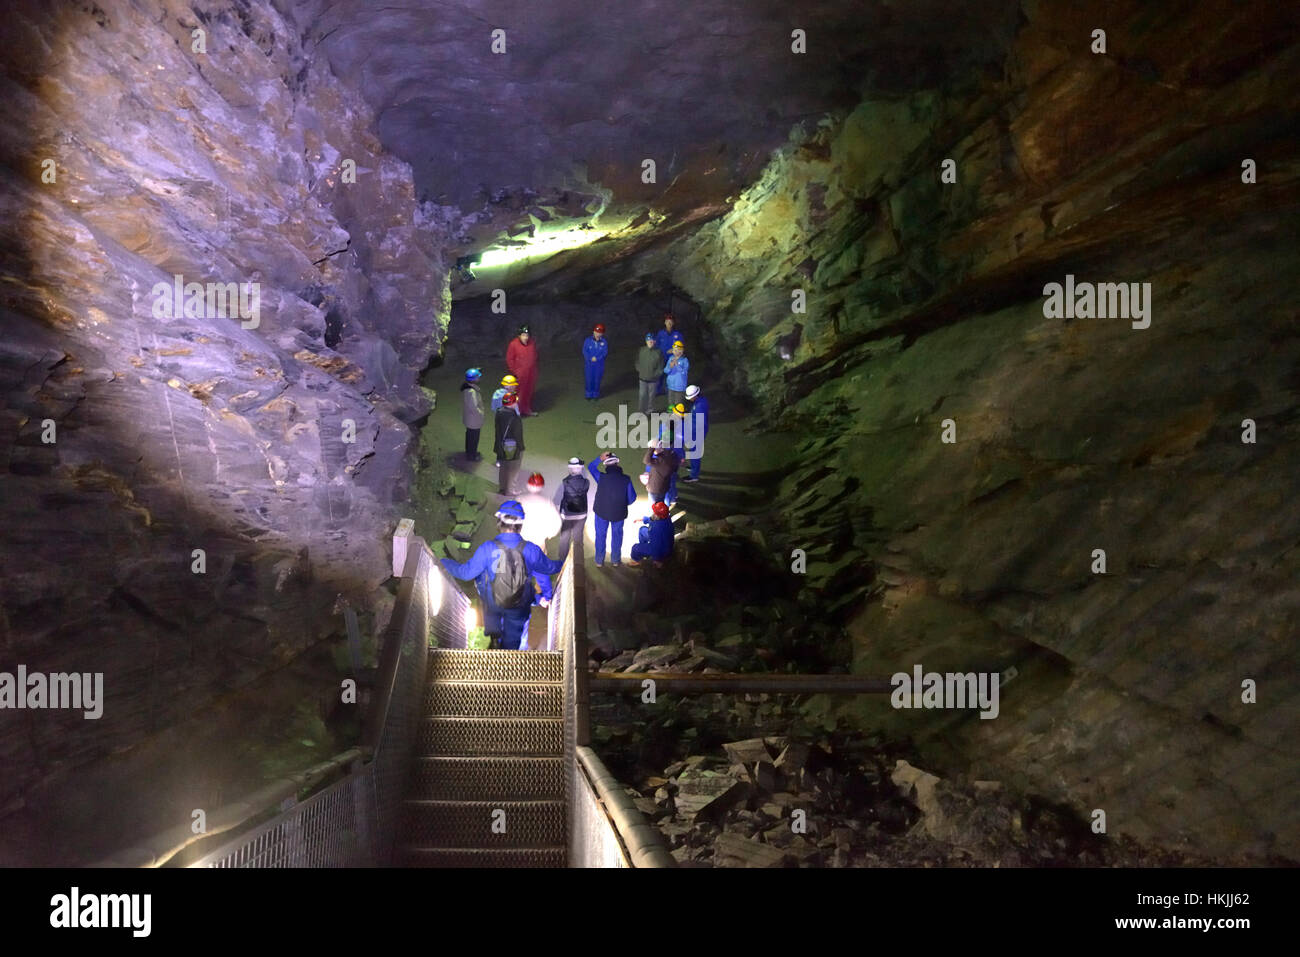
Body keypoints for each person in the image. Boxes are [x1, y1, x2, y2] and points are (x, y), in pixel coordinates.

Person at [440, 500, 564, 650]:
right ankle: (515, 661)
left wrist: (443, 562)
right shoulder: (531, 550)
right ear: (520, 525)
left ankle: (495, 646)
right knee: (518, 643)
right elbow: (548, 568)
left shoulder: (487, 548)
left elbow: (465, 573)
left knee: (497, 635)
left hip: (494, 605)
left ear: (499, 522)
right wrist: (565, 563)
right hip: (519, 608)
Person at [588, 452, 636, 568]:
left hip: (601, 512)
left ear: (606, 465)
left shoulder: (602, 477)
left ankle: (599, 561)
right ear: (617, 463)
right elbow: (631, 498)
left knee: (600, 535)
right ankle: (615, 560)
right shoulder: (626, 479)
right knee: (617, 535)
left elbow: (591, 467)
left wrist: (599, 458)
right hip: (619, 513)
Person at [517, 472, 562, 553]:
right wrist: (550, 534)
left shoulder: (519, 499)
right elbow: (557, 522)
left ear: (528, 485)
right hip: (538, 540)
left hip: (521, 538)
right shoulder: (548, 502)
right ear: (542, 486)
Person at [554, 456, 591, 549]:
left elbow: (556, 501)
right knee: (578, 540)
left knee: (564, 539)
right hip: (581, 515)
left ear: (570, 469)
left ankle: (562, 560)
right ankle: (579, 563)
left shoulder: (564, 482)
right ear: (581, 469)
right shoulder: (586, 482)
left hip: (567, 515)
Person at [494, 391, 525, 495]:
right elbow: (518, 435)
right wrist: (521, 448)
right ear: (512, 403)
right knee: (513, 469)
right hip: (512, 447)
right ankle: (510, 490)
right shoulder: (515, 418)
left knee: (503, 467)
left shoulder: (498, 413)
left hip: (500, 445)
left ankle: (502, 488)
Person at [628, 501, 675, 566]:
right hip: (666, 543)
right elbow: (652, 518)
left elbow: (656, 546)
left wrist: (657, 559)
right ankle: (645, 551)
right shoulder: (666, 518)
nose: (653, 512)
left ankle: (637, 560)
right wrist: (643, 519)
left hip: (661, 550)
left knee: (635, 548)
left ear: (658, 515)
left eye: (655, 512)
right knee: (642, 530)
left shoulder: (656, 528)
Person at [506, 324, 539, 416]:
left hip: (531, 372)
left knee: (528, 391)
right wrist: (514, 371)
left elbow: (534, 355)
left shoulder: (531, 343)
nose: (526, 338)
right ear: (519, 336)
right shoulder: (513, 344)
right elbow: (510, 359)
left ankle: (526, 409)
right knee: (518, 392)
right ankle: (516, 411)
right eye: (524, 335)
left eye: (527, 335)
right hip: (520, 373)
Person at [643, 439, 681, 507]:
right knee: (663, 501)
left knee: (656, 507)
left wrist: (652, 448)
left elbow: (646, 460)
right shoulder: (670, 455)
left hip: (656, 489)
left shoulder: (660, 461)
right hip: (664, 485)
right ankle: (667, 507)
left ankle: (661, 514)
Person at [654, 314, 684, 396]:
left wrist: (674, 350)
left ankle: (668, 390)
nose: (669, 323)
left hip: (673, 358)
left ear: (673, 323)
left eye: (671, 322)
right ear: (665, 323)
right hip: (662, 357)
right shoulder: (660, 333)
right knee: (660, 374)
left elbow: (681, 347)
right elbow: (656, 345)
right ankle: (658, 390)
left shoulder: (678, 334)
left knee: (671, 374)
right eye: (667, 322)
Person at [684, 384, 709, 481]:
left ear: (694, 396)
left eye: (690, 397)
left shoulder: (699, 406)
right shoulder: (702, 400)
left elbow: (699, 424)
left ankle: (694, 476)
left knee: (694, 453)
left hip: (697, 432)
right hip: (698, 430)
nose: (689, 399)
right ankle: (694, 468)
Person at [461, 367, 485, 461]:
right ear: (474, 379)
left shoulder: (468, 389)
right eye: (478, 377)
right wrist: (480, 413)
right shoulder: (471, 392)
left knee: (470, 436)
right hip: (473, 419)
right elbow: (474, 407)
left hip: (470, 419)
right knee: (474, 438)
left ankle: (469, 452)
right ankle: (472, 455)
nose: (479, 379)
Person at [582, 324, 609, 400]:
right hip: (589, 364)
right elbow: (584, 350)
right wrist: (590, 358)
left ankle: (596, 394)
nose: (597, 334)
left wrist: (597, 358)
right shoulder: (588, 340)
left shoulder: (604, 342)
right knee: (589, 379)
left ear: (602, 334)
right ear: (593, 332)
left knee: (597, 379)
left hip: (599, 365)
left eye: (600, 333)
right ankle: (588, 394)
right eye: (596, 332)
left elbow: (604, 352)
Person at [664, 340, 690, 409]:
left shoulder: (685, 360)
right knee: (671, 405)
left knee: (678, 405)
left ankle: (678, 418)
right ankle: (671, 417)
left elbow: (684, 372)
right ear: (672, 351)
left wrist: (677, 365)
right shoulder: (670, 358)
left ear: (682, 351)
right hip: (671, 386)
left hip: (680, 387)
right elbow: (665, 371)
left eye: (679, 350)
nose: (677, 352)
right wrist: (670, 367)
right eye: (675, 350)